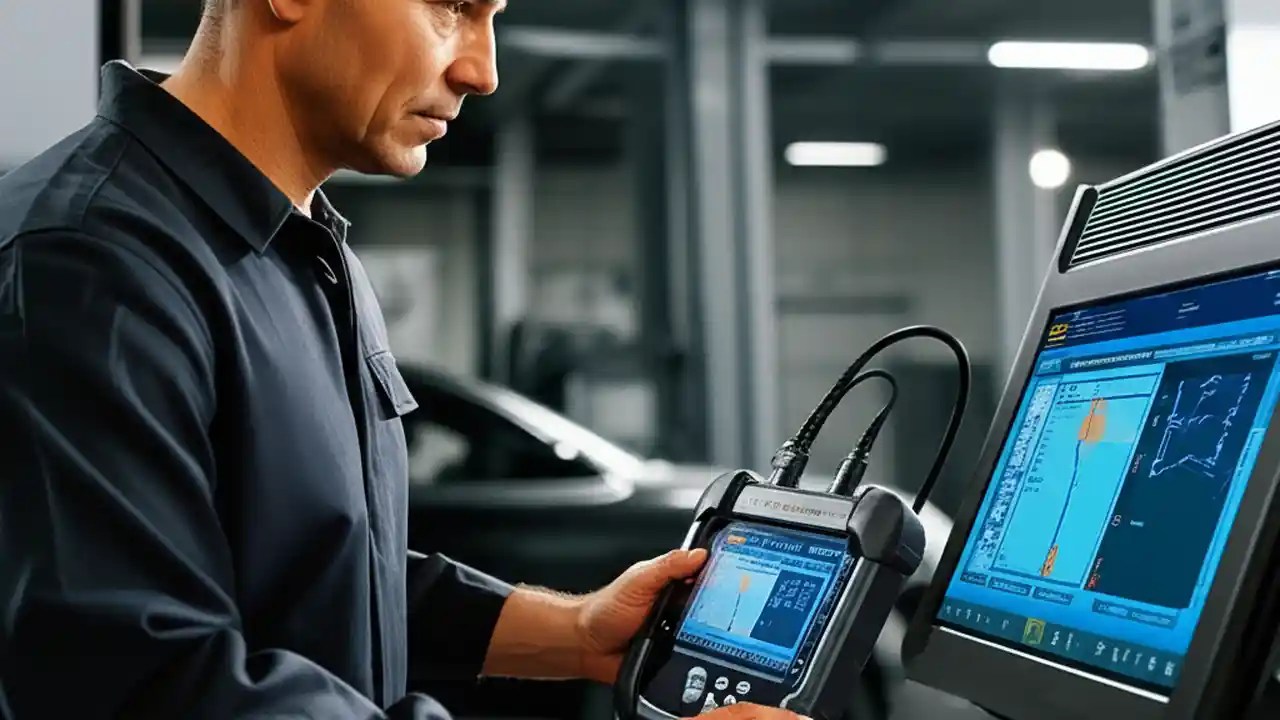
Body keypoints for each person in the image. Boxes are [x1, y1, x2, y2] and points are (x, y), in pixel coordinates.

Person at [0, 1, 811, 719]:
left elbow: (323, 576)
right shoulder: (85, 262)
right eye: (451, 6)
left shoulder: (310, 256)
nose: (483, 70)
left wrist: (574, 631)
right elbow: (147, 685)